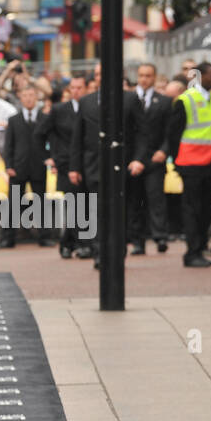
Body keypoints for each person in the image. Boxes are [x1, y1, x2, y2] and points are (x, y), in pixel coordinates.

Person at [70, 63, 141, 268]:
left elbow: (141, 132)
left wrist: (138, 159)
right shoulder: (86, 102)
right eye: (98, 74)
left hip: (123, 166)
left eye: (106, 73)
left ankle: (118, 253)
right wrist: (74, 167)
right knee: (98, 212)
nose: (102, 77)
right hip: (94, 166)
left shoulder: (130, 99)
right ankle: (100, 253)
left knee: (120, 211)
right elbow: (78, 137)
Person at [167, 62, 211, 267]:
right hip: (191, 162)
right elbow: (173, 135)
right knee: (192, 209)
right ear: (200, 76)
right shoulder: (185, 100)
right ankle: (192, 252)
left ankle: (200, 249)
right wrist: (176, 162)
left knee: (206, 208)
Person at [39, 75, 87, 258]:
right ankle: (74, 244)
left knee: (85, 205)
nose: (76, 91)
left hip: (86, 164)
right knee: (74, 205)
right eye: (73, 88)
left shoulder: (90, 107)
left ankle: (75, 244)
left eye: (80, 87)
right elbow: (39, 134)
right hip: (66, 164)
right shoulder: (59, 110)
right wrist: (49, 158)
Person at [1, 83, 51, 249]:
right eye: (25, 96)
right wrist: (8, 164)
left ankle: (44, 237)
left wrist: (50, 158)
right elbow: (8, 145)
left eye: (31, 95)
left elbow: (51, 141)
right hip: (18, 167)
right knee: (13, 204)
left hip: (39, 166)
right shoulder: (14, 120)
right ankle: (8, 239)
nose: (29, 99)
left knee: (41, 203)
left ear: (36, 98)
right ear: (20, 99)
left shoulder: (45, 118)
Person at [130, 63, 172, 255]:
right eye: (141, 75)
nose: (144, 79)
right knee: (135, 200)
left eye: (148, 75)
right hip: (134, 160)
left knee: (156, 199)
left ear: (154, 77)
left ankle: (160, 236)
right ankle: (138, 241)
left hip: (155, 157)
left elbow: (169, 131)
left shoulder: (163, 102)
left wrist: (164, 150)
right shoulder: (130, 99)